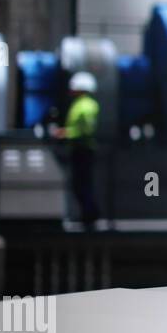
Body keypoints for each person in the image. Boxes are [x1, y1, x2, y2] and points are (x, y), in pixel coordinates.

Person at [54, 71, 101, 232]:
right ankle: (88, 215)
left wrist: (66, 133)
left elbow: (86, 129)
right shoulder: (84, 104)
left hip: (83, 149)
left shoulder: (85, 105)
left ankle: (90, 216)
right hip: (80, 149)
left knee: (81, 183)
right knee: (81, 183)